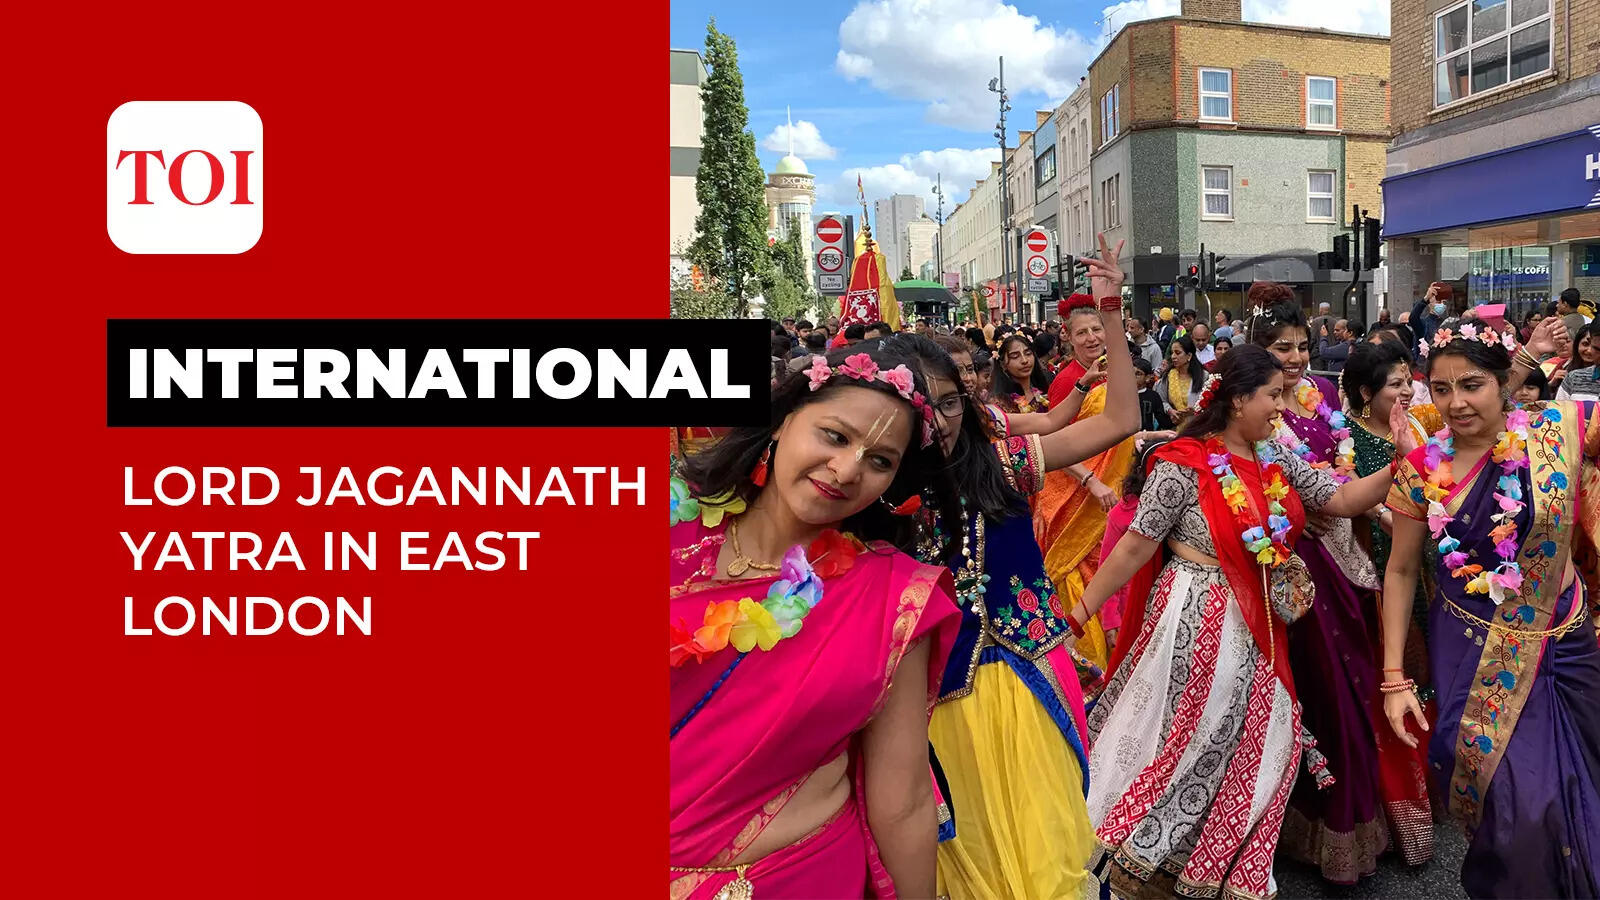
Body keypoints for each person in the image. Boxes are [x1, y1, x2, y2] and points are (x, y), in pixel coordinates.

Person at [1073, 344, 1407, 899]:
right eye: (1272, 395)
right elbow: (1135, 547)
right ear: (1235, 400)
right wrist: (1079, 612)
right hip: (1198, 615)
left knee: (1261, 742)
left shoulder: (1275, 454)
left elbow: (1343, 498)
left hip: (1264, 622)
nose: (1283, 406)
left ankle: (1211, 864)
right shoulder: (1182, 463)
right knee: (1191, 737)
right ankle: (1137, 854)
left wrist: (1400, 460)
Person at [669, 342, 963, 898]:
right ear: (781, 424)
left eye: (880, 462)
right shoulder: (667, 537)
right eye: (835, 435)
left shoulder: (893, 599)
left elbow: (900, 801)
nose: (848, 469)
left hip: (795, 878)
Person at [895, 236, 1141, 898]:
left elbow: (1121, 417)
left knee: (1048, 846)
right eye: (924, 406)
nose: (941, 419)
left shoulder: (1006, 461)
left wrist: (1111, 310)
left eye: (952, 402)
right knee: (969, 857)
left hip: (1029, 677)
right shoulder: (878, 497)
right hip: (936, 702)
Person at [1380, 321, 1600, 900]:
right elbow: (1401, 572)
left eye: (1471, 385)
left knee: (1582, 790)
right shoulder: (1422, 467)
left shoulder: (1562, 433)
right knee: (1513, 803)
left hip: (1568, 641)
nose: (1455, 403)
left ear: (1506, 382)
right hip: (1473, 648)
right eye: (1441, 388)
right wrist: (1393, 678)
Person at [1247, 290, 1390, 884]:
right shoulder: (1251, 410)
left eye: (1304, 346)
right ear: (1259, 352)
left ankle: (1348, 818)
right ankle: (1285, 822)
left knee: (1351, 682)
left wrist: (1375, 503)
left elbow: (1344, 471)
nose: (1298, 358)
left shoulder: (1324, 395)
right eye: (1283, 348)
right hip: (1286, 560)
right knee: (1310, 688)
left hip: (1341, 548)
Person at [1343, 340, 1444, 868]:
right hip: (1375, 569)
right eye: (1395, 384)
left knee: (1425, 666)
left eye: (1409, 381)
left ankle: (1429, 781)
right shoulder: (1349, 440)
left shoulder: (1420, 428)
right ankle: (1390, 804)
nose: (1407, 390)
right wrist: (1395, 515)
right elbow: (1350, 499)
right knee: (1387, 670)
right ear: (1365, 394)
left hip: (1424, 566)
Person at [1033, 294, 1140, 672]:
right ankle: (1087, 661)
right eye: (1083, 332)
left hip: (1110, 491)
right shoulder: (1067, 381)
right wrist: (1093, 482)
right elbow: (1057, 445)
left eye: (1097, 329)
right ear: (1068, 338)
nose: (1093, 337)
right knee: (1081, 572)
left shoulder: (1110, 370)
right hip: (1075, 496)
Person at [1093, 437, 1172, 657]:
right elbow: (1108, 566)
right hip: (1132, 607)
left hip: (1167, 602)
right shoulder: (1123, 512)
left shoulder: (1181, 510)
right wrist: (1110, 620)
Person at [993, 333, 1053, 413]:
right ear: (1003, 364)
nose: (1024, 360)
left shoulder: (1044, 389)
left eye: (1028, 353)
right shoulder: (1001, 402)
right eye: (1015, 356)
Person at [1158, 335, 1206, 426]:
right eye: (1172, 353)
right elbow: (1161, 400)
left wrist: (1196, 410)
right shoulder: (1168, 376)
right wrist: (1170, 410)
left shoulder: (1204, 376)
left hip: (1198, 426)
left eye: (1177, 353)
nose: (1173, 356)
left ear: (1189, 356)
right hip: (1173, 426)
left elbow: (1210, 403)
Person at [1134, 358, 1173, 432]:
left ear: (1148, 378)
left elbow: (1162, 420)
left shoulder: (1153, 396)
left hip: (1147, 437)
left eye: (1138, 374)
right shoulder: (1123, 395)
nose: (1133, 376)